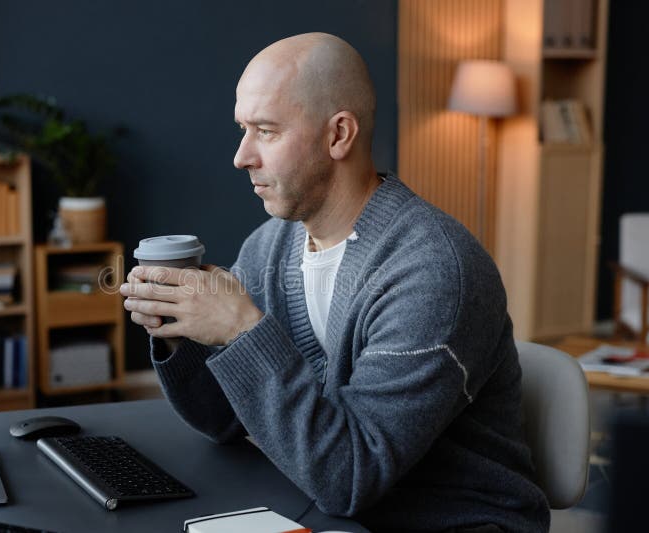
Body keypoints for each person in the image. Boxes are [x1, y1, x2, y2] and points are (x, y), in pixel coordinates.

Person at [120, 32, 550, 532]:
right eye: (243, 129)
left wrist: (241, 332)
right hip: (324, 510)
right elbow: (223, 420)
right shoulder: (269, 246)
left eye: (266, 131)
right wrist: (183, 333)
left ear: (339, 135)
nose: (242, 156)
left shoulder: (434, 273)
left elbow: (349, 477)